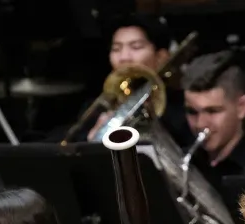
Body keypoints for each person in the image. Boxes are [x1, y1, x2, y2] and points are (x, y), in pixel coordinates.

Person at [82, 13, 192, 145]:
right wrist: (92, 140)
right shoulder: (97, 108)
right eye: (116, 49)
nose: (124, 57)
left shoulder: (183, 108)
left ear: (161, 56)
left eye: (136, 47)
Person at [184, 51, 245, 184]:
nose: (200, 124)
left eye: (213, 111)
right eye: (192, 112)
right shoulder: (184, 161)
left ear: (241, 107)